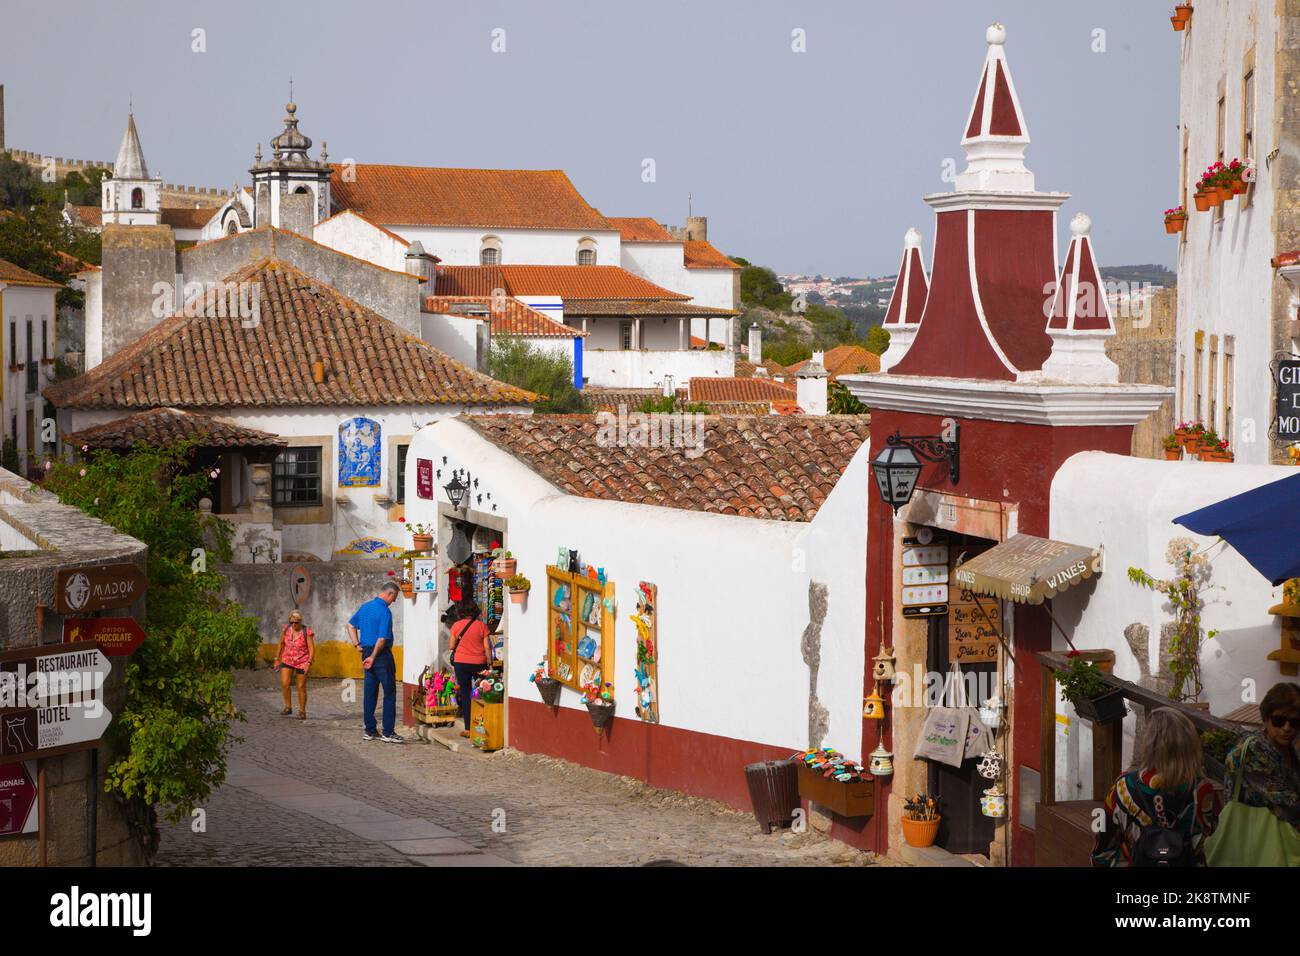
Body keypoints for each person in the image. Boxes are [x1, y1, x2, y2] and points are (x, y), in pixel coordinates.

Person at [1092, 707, 1221, 866]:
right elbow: (1214, 840)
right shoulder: (1204, 791)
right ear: (1190, 745)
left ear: (1148, 744)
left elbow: (1102, 851)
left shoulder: (1123, 787)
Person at [1221, 682, 1300, 830]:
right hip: (1253, 837)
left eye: (1295, 722)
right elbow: (1287, 804)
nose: (1287, 728)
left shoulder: (1287, 749)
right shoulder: (1255, 750)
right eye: (1279, 720)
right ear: (1265, 718)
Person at [347, 582, 403, 743]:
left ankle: (370, 730)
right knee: (389, 693)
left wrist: (357, 645)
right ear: (390, 594)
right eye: (395, 598)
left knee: (370, 692)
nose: (394, 601)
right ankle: (388, 732)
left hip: (365, 652)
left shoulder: (365, 607)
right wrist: (373, 656)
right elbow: (382, 638)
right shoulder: (385, 612)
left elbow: (350, 625)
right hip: (380, 655)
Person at [448, 602, 493, 739]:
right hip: (479, 664)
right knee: (485, 692)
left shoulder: (456, 626)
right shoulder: (482, 626)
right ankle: (485, 725)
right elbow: (487, 647)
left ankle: (468, 728)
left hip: (461, 663)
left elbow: (451, 646)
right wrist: (489, 663)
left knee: (466, 693)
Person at [273, 610, 315, 719]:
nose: (293, 624)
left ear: (300, 622)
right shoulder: (286, 629)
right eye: (291, 622)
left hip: (302, 661)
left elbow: (311, 649)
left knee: (301, 686)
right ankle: (288, 707)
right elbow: (281, 644)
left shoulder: (307, 631)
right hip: (287, 659)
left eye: (296, 622)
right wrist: (277, 659)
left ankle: (302, 711)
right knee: (285, 683)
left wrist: (309, 663)